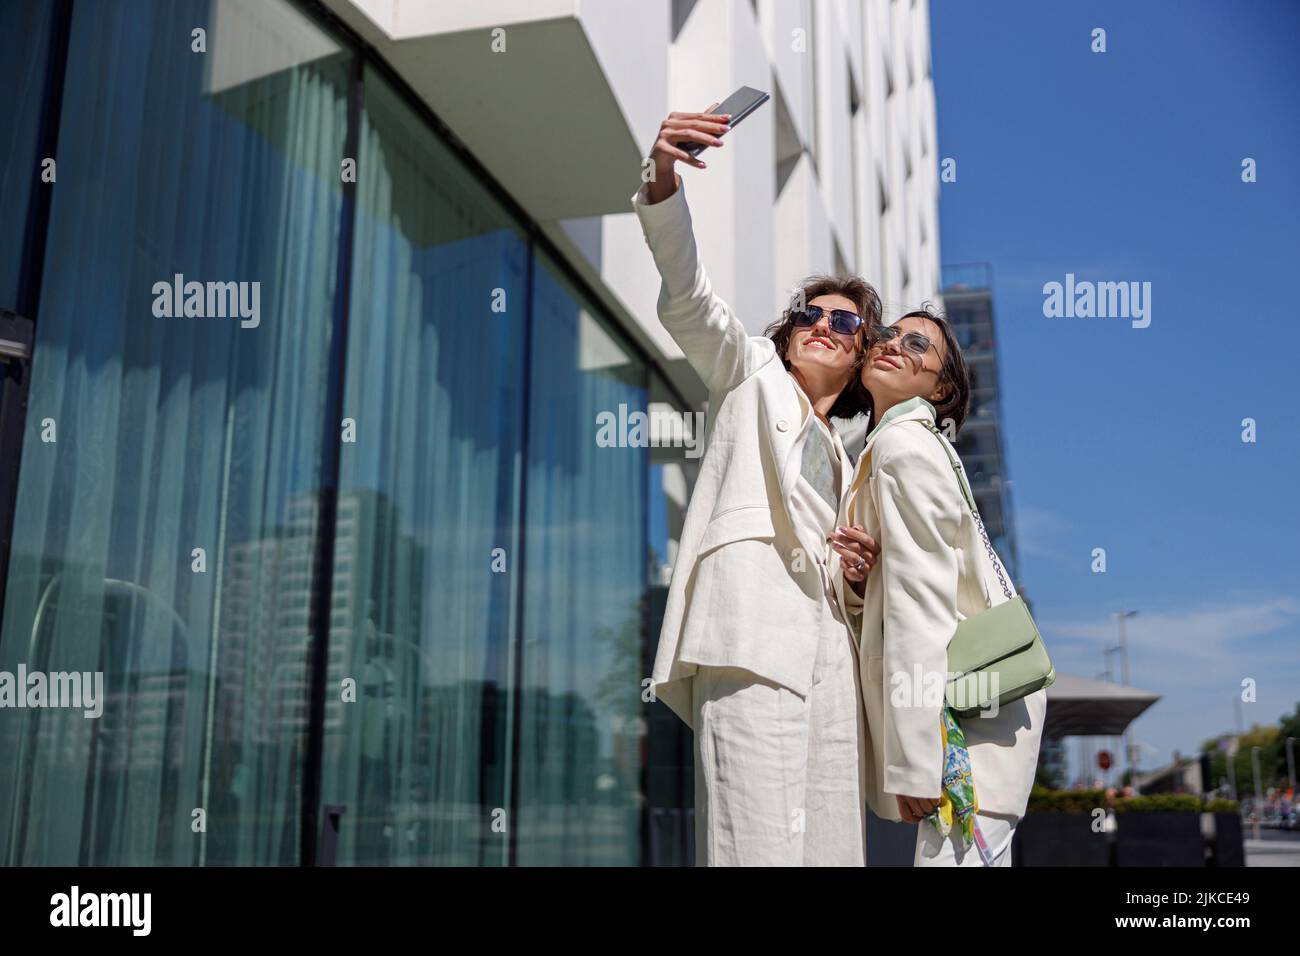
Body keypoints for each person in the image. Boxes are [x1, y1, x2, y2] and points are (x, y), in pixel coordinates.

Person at [631, 106, 883, 865]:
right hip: (749, 637)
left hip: (830, 661)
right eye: (810, 313)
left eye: (843, 323)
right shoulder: (750, 370)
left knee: (833, 847)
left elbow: (843, 576)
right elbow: (689, 295)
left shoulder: (851, 457)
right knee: (754, 847)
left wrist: (859, 574)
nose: (820, 325)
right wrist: (663, 177)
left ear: (864, 354)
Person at [830, 306, 1048, 866]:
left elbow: (921, 606)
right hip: (982, 714)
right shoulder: (898, 447)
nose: (892, 344)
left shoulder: (903, 447)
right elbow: (914, 587)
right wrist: (861, 580)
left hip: (963, 733)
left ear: (941, 385)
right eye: (888, 334)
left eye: (918, 344)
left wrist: (918, 759)